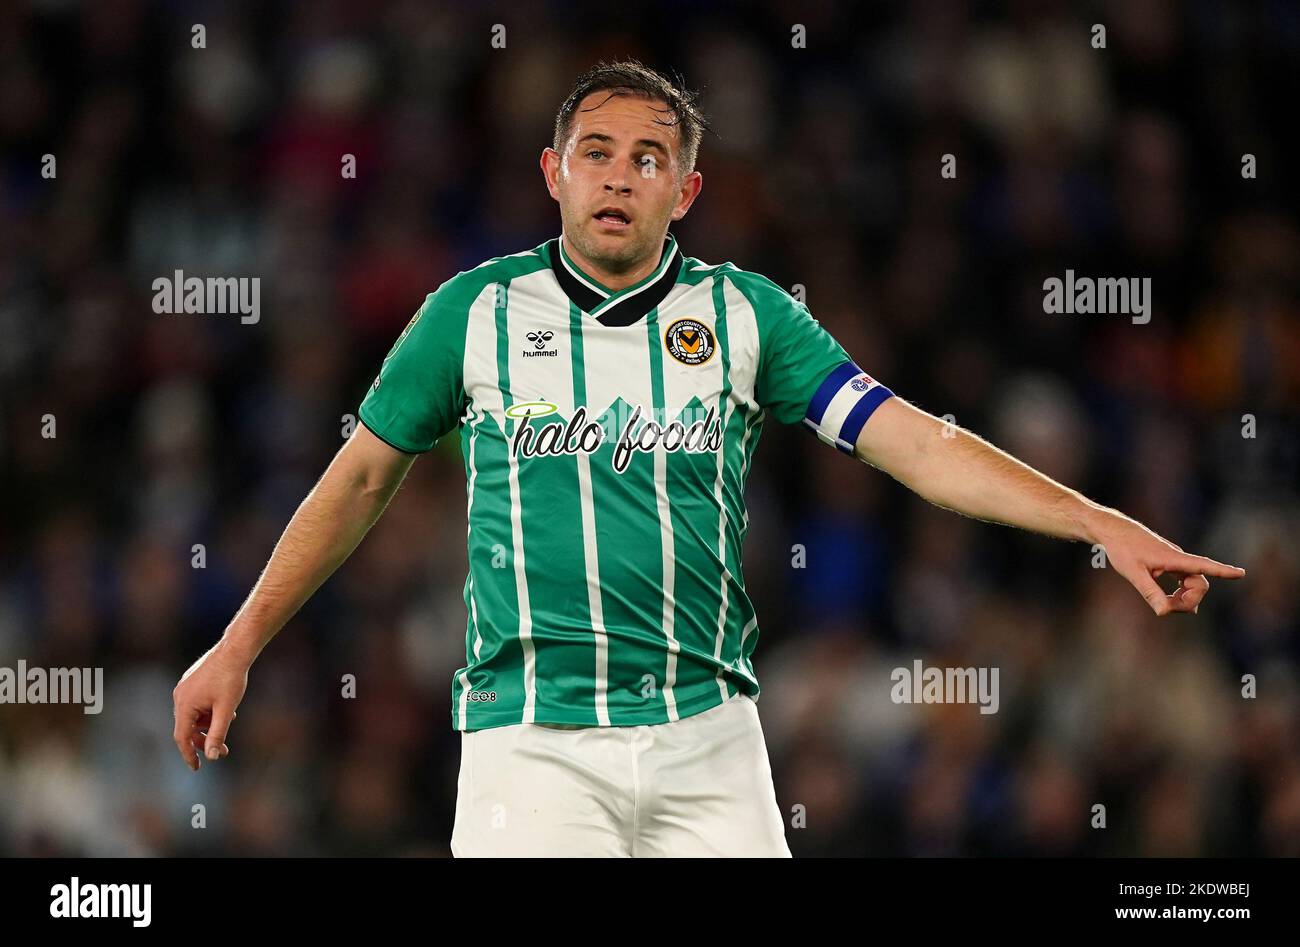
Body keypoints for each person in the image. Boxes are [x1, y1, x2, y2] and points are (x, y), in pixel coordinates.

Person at [171, 59, 1246, 857]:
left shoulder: (747, 318)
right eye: (596, 152)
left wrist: (1102, 522)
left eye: (650, 159)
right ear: (552, 172)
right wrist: (238, 643)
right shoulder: (474, 314)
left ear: (684, 191)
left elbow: (918, 444)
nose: (618, 176)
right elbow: (359, 476)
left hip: (710, 737)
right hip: (531, 737)